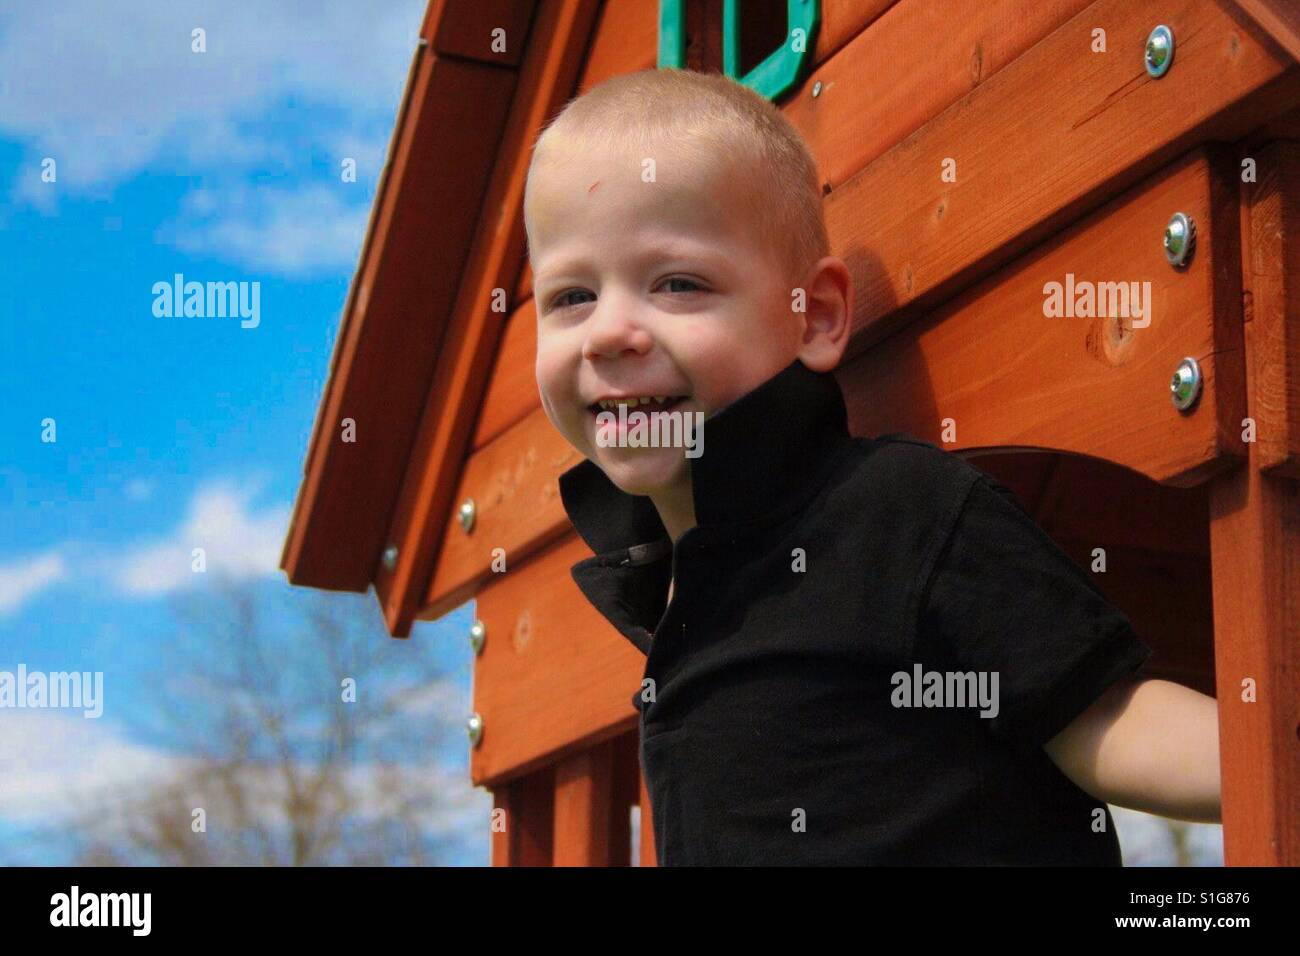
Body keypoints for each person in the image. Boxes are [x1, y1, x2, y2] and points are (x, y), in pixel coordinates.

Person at [522, 67, 1221, 865]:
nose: (609, 332)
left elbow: (1109, 722)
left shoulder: (898, 510)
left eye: (677, 283)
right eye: (570, 296)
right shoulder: (679, 596)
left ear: (814, 316)